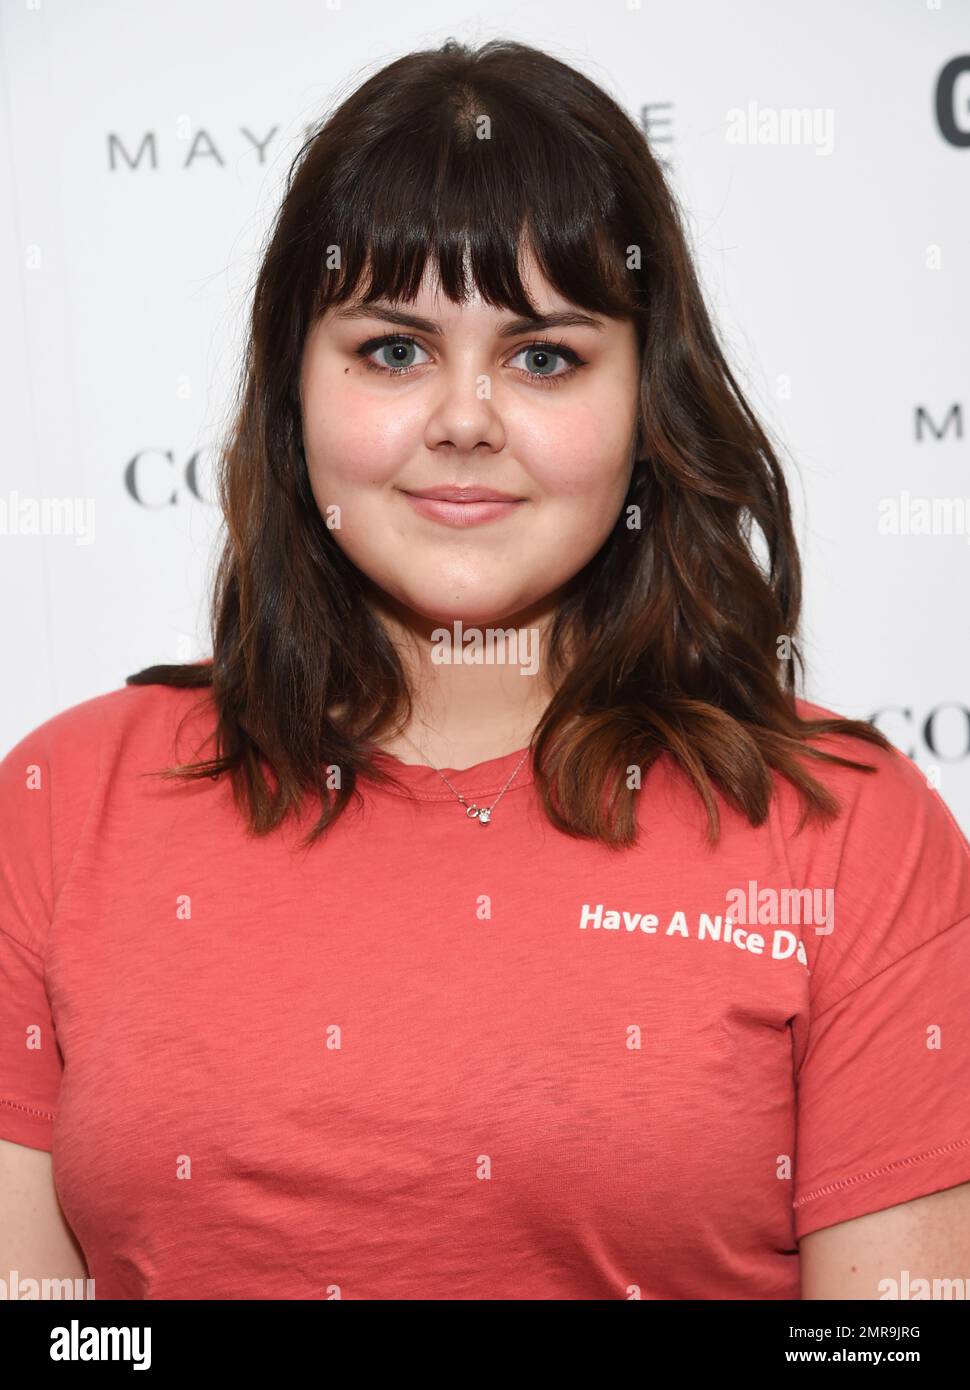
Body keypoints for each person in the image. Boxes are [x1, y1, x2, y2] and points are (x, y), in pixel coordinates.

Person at [2, 37, 969, 1303]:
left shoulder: (847, 828)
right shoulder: (64, 802)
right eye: (394, 350)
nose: (464, 419)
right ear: (293, 394)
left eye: (544, 356)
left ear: (646, 403)